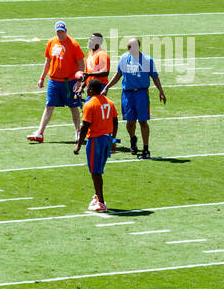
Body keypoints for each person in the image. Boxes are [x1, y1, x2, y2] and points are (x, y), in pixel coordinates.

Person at [105, 36, 167, 158]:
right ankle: (133, 139)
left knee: (143, 121)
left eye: (130, 47)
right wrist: (107, 86)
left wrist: (161, 91)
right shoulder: (124, 58)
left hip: (141, 93)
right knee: (130, 122)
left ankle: (146, 149)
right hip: (127, 94)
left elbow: (154, 76)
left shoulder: (147, 60)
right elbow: (118, 74)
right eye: (127, 47)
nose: (128, 49)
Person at [30, 21, 85, 142]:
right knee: (49, 106)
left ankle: (78, 132)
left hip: (69, 81)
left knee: (73, 107)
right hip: (54, 81)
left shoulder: (73, 44)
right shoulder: (51, 42)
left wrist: (79, 81)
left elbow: (81, 63)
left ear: (66, 31)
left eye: (62, 31)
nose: (60, 34)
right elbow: (48, 62)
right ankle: (40, 133)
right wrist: (42, 78)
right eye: (58, 32)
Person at [73, 79, 118, 212]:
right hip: (107, 139)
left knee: (95, 172)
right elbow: (115, 121)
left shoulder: (90, 104)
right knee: (98, 170)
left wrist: (78, 145)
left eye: (87, 88)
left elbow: (85, 126)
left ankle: (101, 202)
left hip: (95, 140)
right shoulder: (110, 102)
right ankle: (98, 197)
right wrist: (113, 141)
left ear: (91, 90)